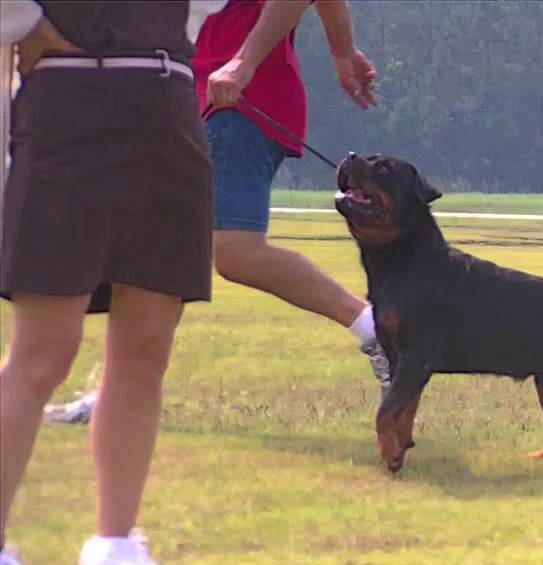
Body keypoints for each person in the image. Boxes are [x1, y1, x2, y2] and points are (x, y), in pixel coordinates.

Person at [0, 0, 231, 565]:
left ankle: (114, 551)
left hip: (167, 99)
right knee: (45, 349)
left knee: (146, 346)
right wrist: (22, 22)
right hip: (70, 100)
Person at [43, 0, 387, 425]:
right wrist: (340, 50)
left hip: (236, 98)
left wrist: (242, 62)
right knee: (148, 258)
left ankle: (375, 329)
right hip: (185, 98)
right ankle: (116, 394)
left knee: (235, 251)